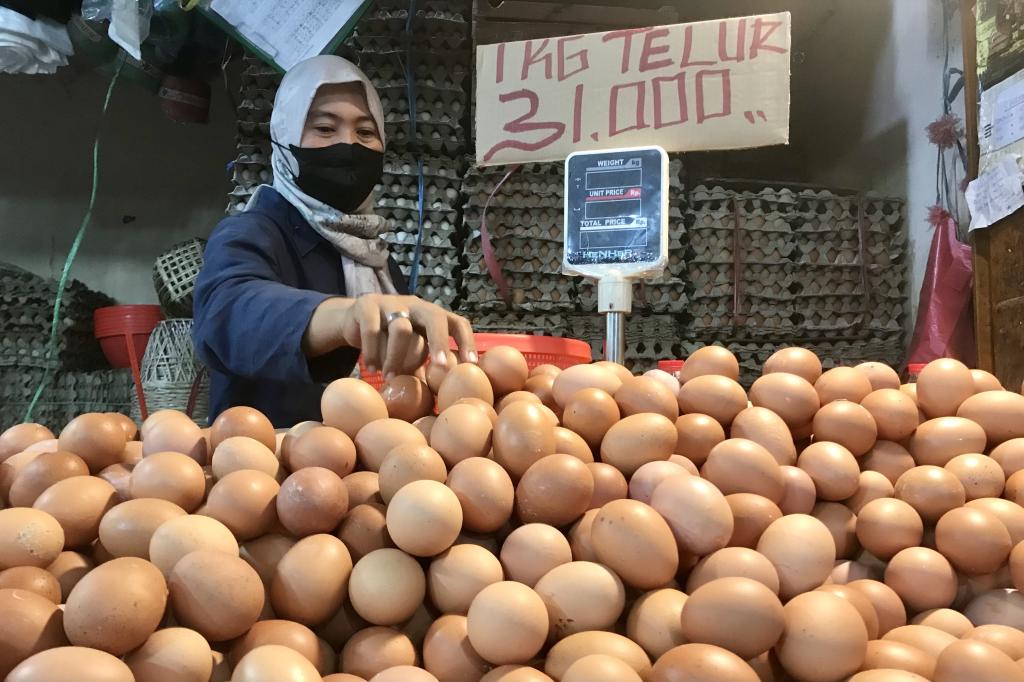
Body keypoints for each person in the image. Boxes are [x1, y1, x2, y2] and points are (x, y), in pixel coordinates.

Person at [193, 55, 475, 427]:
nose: (349, 144)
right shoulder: (253, 232)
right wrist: (343, 317)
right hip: (272, 470)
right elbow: (226, 314)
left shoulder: (375, 257)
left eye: (365, 132)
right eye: (325, 129)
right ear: (285, 139)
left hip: (365, 473)